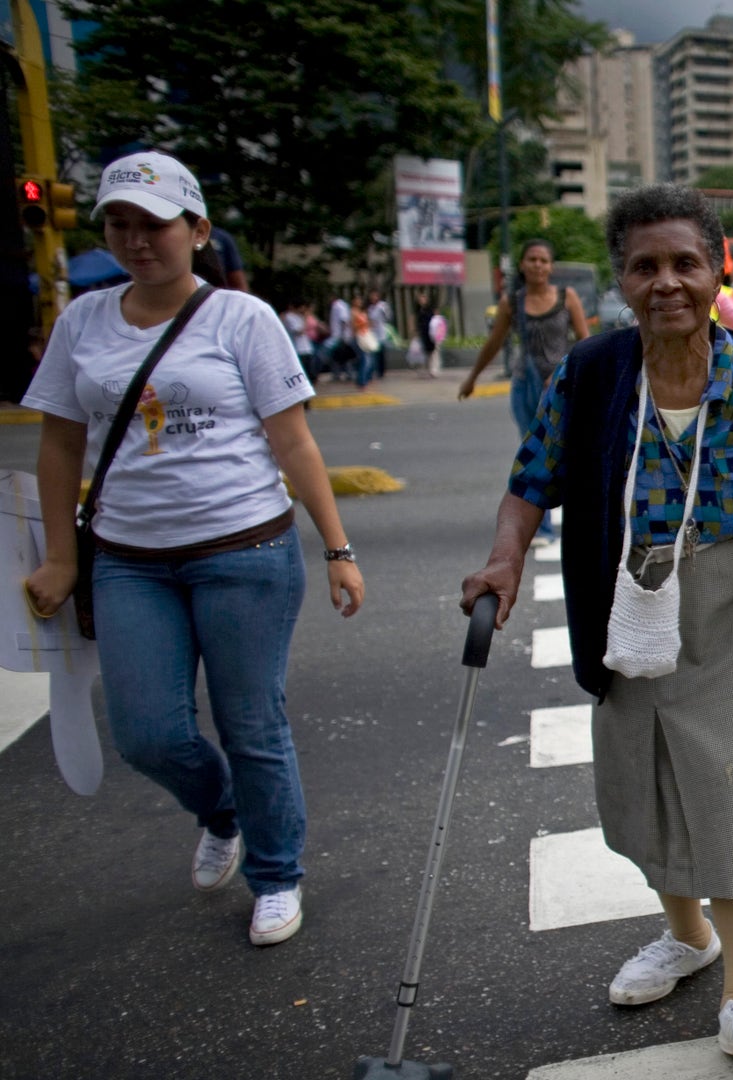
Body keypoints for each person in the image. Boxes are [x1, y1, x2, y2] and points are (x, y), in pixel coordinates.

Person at [460, 183, 733, 1062]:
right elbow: (530, 478)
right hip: (624, 594)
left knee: (732, 783)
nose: (667, 282)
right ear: (623, 279)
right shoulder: (591, 372)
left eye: (685, 264)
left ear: (717, 270)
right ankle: (687, 935)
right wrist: (506, 557)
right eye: (645, 266)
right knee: (646, 779)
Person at [20, 150, 365, 946]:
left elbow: (295, 442)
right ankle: (223, 811)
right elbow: (60, 447)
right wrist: (63, 559)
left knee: (252, 725)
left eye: (155, 225)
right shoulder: (83, 321)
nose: (136, 241)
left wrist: (338, 549)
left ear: (197, 229)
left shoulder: (241, 319)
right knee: (148, 732)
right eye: (119, 224)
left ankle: (276, 872)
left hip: (244, 550)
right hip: (129, 560)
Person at [458, 239, 590, 545]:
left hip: (561, 388)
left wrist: (569, 373)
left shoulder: (566, 297)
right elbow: (494, 343)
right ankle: (540, 529)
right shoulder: (512, 303)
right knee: (534, 454)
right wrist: (472, 378)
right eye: (532, 259)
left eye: (544, 260)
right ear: (522, 265)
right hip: (525, 387)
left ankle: (580, 520)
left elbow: (585, 342)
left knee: (571, 453)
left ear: (551, 267)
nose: (538, 265)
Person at [282, 299, 316, 383]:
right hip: (298, 349)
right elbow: (299, 331)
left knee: (310, 370)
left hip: (306, 348)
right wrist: (305, 319)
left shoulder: (299, 316)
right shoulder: (289, 317)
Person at [366, 290, 393, 379]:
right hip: (372, 333)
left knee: (381, 353)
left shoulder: (382, 305)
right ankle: (375, 370)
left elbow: (388, 317)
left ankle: (381, 372)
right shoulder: (370, 308)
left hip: (381, 333)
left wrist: (384, 312)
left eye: (375, 296)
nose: (373, 298)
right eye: (372, 296)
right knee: (374, 353)